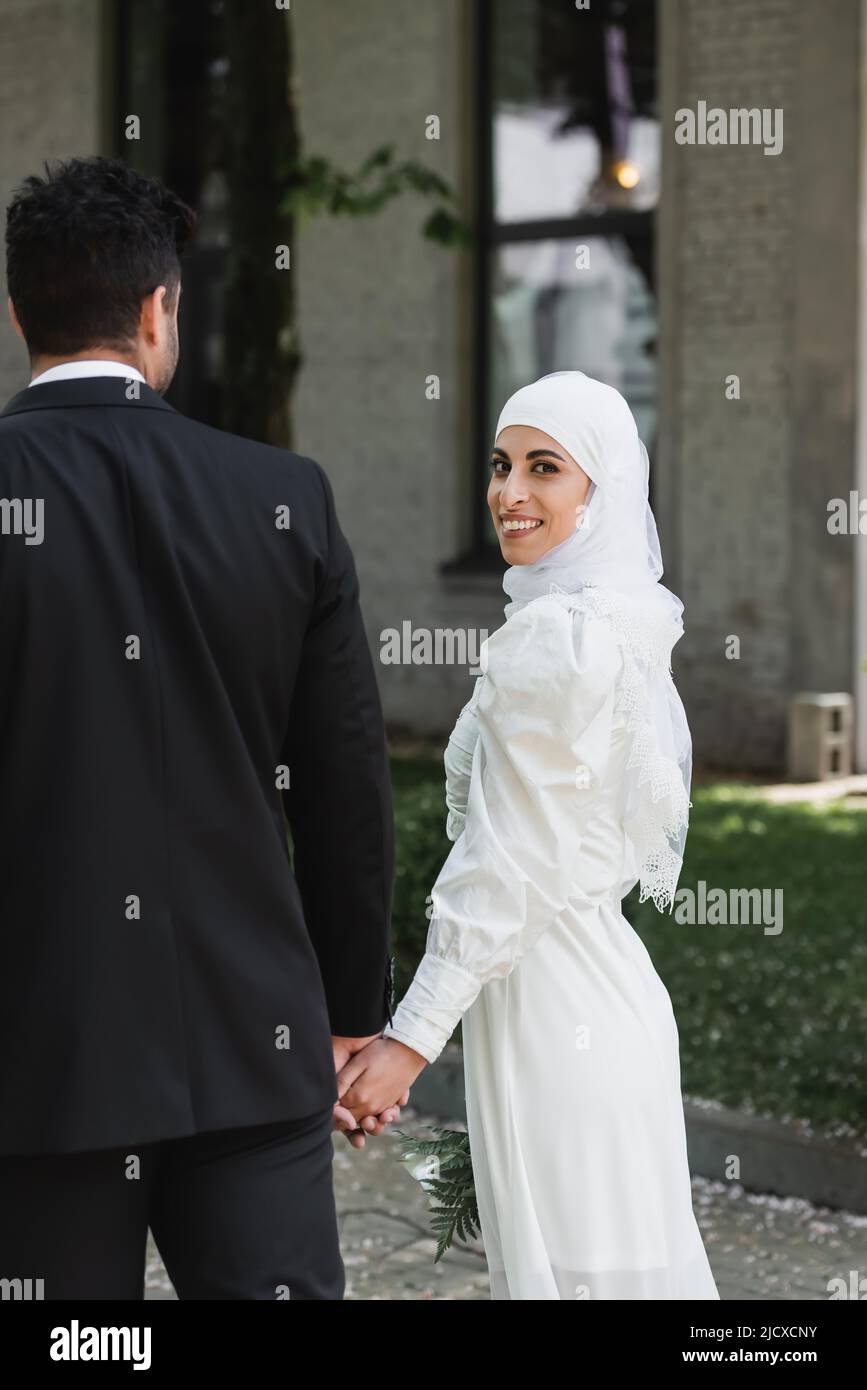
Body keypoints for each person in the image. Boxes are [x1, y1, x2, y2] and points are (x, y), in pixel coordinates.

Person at [0, 155, 402, 1300]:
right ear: (158, 308)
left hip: (39, 1065)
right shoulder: (286, 497)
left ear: (21, 310)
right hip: (251, 1045)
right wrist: (345, 1016)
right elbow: (344, 787)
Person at [336, 370, 721, 1300]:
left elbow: (504, 868)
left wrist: (408, 1043)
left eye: (544, 468)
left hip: (560, 1026)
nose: (508, 493)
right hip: (601, 1002)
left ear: (600, 492)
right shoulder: (612, 626)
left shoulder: (557, 640)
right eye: (501, 464)